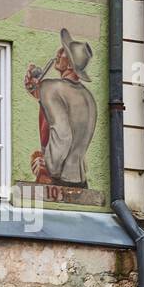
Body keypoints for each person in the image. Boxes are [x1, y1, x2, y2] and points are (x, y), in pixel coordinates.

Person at [26, 28, 97, 188]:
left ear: (71, 65)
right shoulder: (88, 97)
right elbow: (63, 105)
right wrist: (35, 89)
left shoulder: (51, 88)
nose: (58, 52)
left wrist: (49, 167)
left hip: (57, 177)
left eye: (64, 51)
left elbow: (63, 134)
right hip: (79, 179)